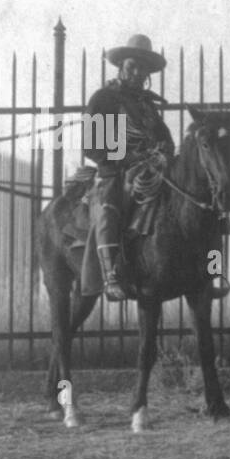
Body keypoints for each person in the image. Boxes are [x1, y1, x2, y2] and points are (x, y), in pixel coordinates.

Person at [86, 33, 176, 301]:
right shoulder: (104, 99)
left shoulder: (147, 105)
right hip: (116, 171)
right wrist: (129, 159)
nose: (137, 73)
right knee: (110, 203)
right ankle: (110, 275)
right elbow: (93, 147)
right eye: (131, 66)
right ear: (121, 67)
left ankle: (212, 271)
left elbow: (166, 139)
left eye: (143, 68)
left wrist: (164, 152)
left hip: (153, 170)